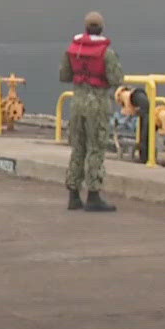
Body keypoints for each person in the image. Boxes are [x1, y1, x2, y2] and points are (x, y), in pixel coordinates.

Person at [60, 11, 122, 212]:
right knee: (95, 148)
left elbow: (64, 75)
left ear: (86, 28)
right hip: (97, 105)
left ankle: (73, 195)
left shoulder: (72, 50)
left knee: (78, 147)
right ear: (102, 28)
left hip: (77, 103)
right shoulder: (107, 53)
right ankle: (93, 195)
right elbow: (116, 79)